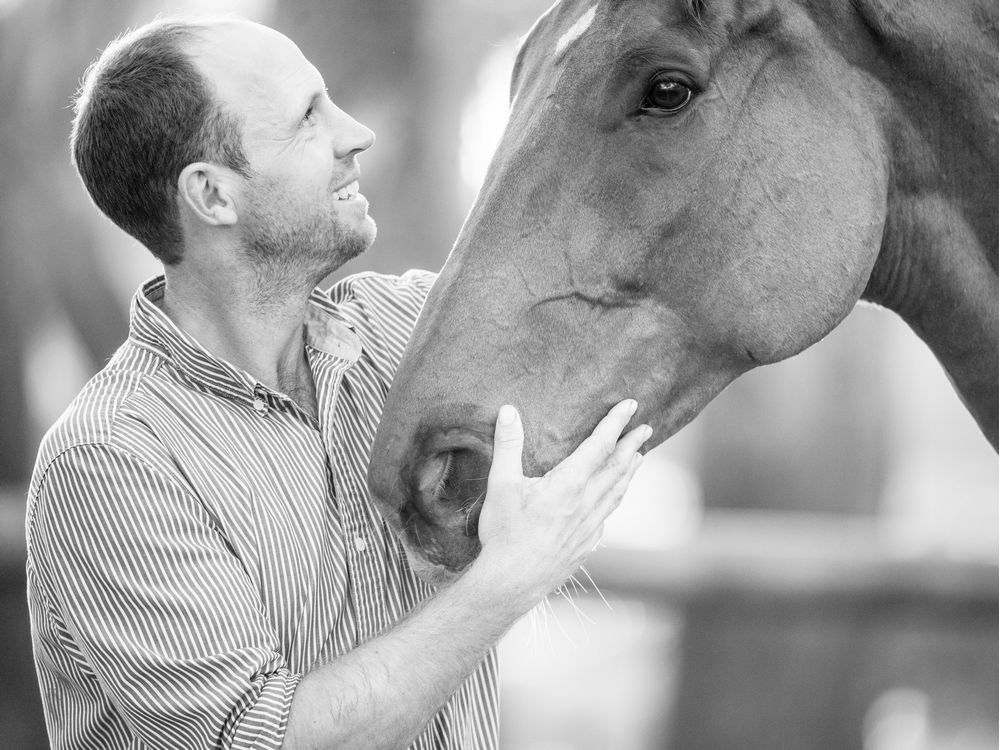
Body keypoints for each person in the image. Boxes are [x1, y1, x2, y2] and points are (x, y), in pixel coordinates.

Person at [25, 15, 650, 750]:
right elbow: (261, 739)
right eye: (307, 119)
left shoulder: (408, 334)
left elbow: (623, 283)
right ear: (213, 197)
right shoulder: (111, 463)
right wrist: (508, 580)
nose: (357, 134)